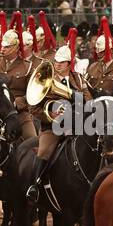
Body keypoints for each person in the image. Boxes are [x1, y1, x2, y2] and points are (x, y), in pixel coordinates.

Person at [26, 30, 86, 203]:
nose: (58, 65)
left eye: (61, 63)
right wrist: (51, 115)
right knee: (44, 151)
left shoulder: (79, 79)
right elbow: (34, 108)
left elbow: (89, 100)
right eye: (56, 62)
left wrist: (77, 101)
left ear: (69, 63)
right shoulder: (46, 78)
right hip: (53, 128)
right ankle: (35, 185)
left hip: (78, 125)